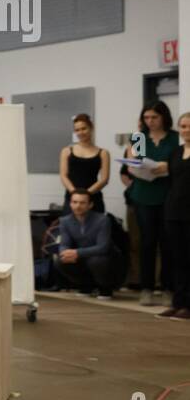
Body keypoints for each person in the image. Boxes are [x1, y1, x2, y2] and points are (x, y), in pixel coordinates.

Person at [124, 101, 176, 305]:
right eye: (146, 118)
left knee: (168, 244)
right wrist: (138, 164)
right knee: (146, 242)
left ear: (163, 117)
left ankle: (167, 288)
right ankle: (146, 287)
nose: (150, 121)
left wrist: (167, 166)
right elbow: (134, 165)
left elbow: (178, 162)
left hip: (168, 196)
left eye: (154, 117)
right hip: (143, 195)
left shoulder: (174, 137)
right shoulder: (139, 138)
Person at [52, 189, 124, 299]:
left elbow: (103, 247)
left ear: (90, 205)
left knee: (96, 260)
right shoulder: (65, 221)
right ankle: (86, 285)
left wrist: (76, 252)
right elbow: (64, 243)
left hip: (106, 258)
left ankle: (105, 288)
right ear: (70, 203)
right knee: (60, 260)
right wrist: (64, 253)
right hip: (83, 257)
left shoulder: (102, 220)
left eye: (82, 203)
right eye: (74, 202)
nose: (78, 206)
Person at [153, 111, 190, 319]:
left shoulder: (167, 141)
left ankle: (188, 304)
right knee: (176, 258)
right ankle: (178, 302)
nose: (186, 130)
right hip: (172, 209)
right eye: (183, 126)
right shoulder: (174, 151)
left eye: (189, 126)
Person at [59, 113, 109, 213]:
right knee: (70, 227)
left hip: (93, 199)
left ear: (91, 128)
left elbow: (104, 179)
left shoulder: (103, 153)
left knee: (95, 227)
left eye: (84, 128)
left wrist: (86, 195)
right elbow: (63, 175)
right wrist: (75, 195)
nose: (81, 132)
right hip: (72, 199)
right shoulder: (66, 151)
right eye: (77, 130)